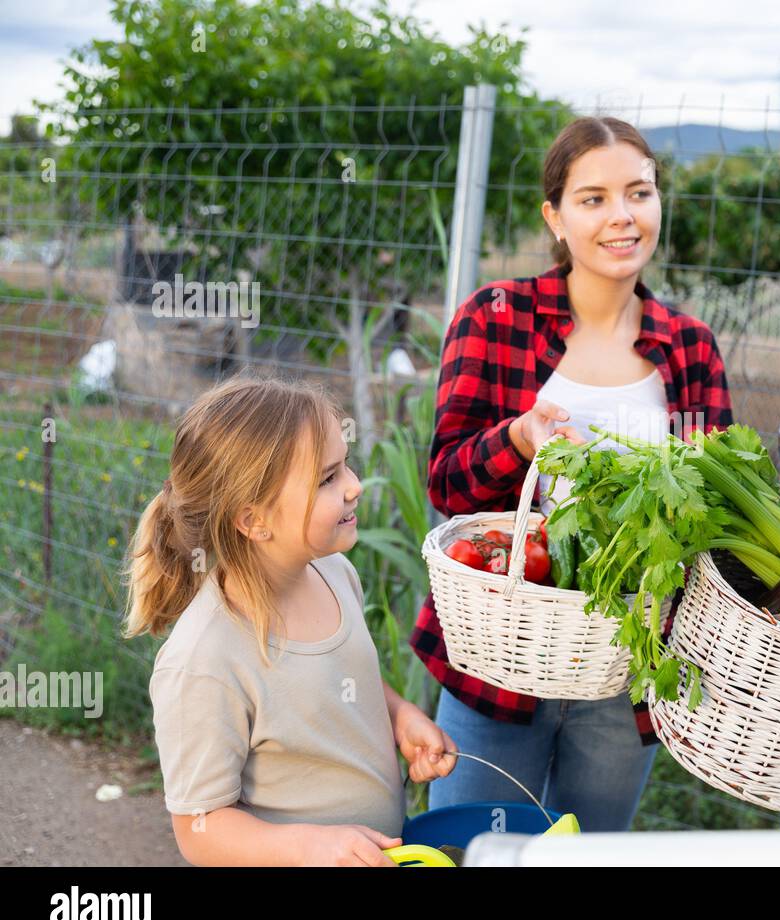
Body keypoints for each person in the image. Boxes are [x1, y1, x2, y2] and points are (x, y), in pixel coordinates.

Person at [409, 116, 733, 832]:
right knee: (472, 847)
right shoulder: (495, 320)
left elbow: (709, 510)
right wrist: (518, 439)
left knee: (587, 850)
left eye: (639, 193)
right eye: (593, 199)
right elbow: (447, 485)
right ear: (555, 217)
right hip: (501, 660)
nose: (622, 216)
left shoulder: (689, 348)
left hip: (624, 670)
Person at [127, 375, 457, 866]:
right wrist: (307, 846)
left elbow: (341, 682)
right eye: (327, 478)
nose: (354, 485)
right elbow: (199, 828)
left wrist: (399, 716)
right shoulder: (205, 659)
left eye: (345, 465)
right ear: (254, 519)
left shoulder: (332, 573)